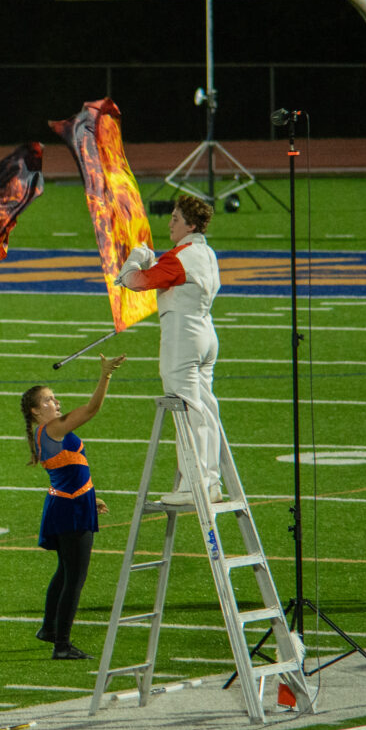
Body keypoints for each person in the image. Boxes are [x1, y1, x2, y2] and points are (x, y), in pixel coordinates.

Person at [20, 355, 126, 661]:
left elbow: (69, 471)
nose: (56, 402)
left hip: (70, 503)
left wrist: (91, 496)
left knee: (65, 572)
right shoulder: (53, 430)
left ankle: (49, 629)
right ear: (36, 411)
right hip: (71, 510)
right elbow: (92, 409)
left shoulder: (45, 432)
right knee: (74, 579)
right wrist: (105, 375)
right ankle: (62, 645)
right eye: (49, 400)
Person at [118, 194, 222, 505]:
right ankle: (211, 481)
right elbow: (170, 273)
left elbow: (134, 281)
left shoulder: (179, 258)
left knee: (187, 411)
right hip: (206, 333)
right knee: (206, 410)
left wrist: (135, 259)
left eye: (175, 219)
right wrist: (154, 261)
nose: (170, 223)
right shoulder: (204, 253)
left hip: (183, 335)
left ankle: (194, 486)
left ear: (190, 224)